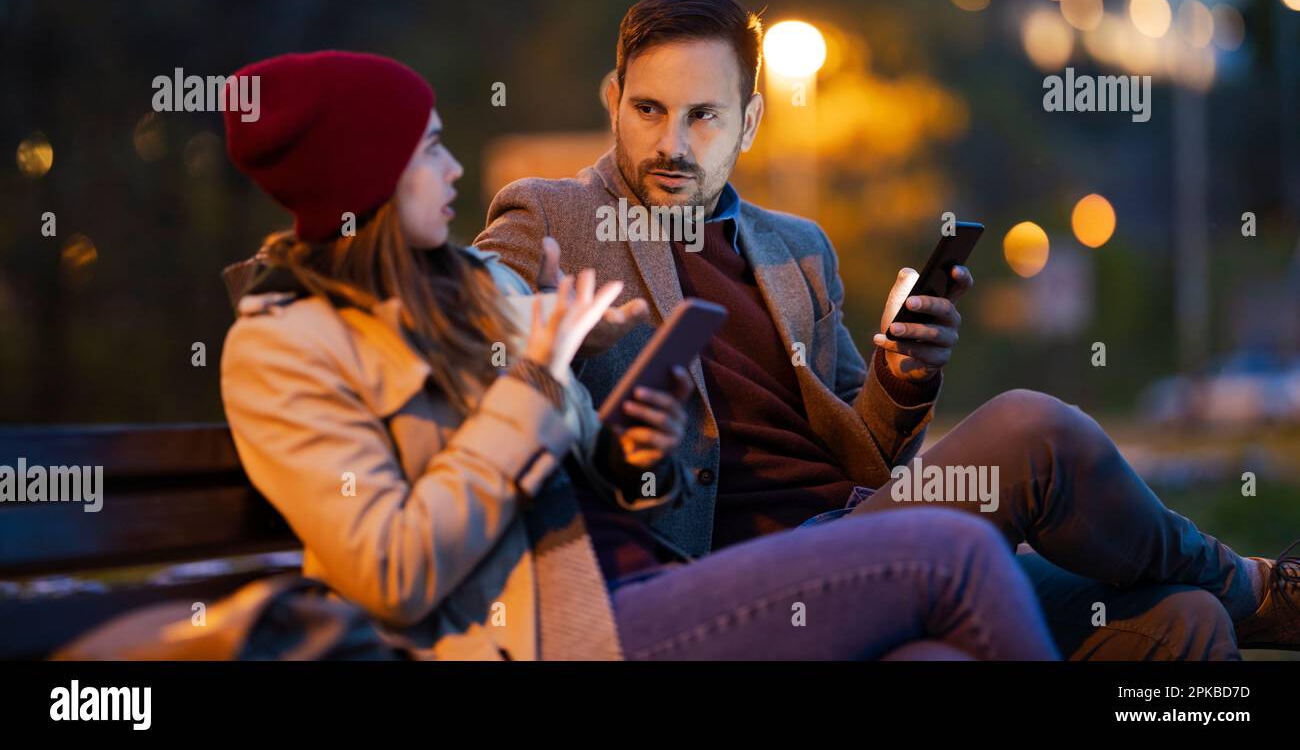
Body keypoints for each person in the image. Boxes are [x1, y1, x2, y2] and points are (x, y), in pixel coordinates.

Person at [474, 0, 1300, 659]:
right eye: (649, 110)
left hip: (858, 527)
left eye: (704, 116)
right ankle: (1263, 591)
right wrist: (532, 335)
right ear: (614, 101)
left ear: (750, 121)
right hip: (727, 581)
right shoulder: (553, 215)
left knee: (1187, 624)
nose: (673, 144)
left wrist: (906, 376)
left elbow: (866, 455)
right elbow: (467, 313)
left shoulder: (796, 250)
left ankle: (1230, 599)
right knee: (1031, 427)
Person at [218, 50, 1061, 660]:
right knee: (955, 551)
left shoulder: (470, 285)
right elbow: (392, 570)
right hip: (558, 629)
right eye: (429, 147)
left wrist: (634, 440)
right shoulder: (282, 347)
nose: (452, 165)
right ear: (366, 170)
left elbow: (603, 469)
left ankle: (1202, 587)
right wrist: (537, 384)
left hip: (646, 579)